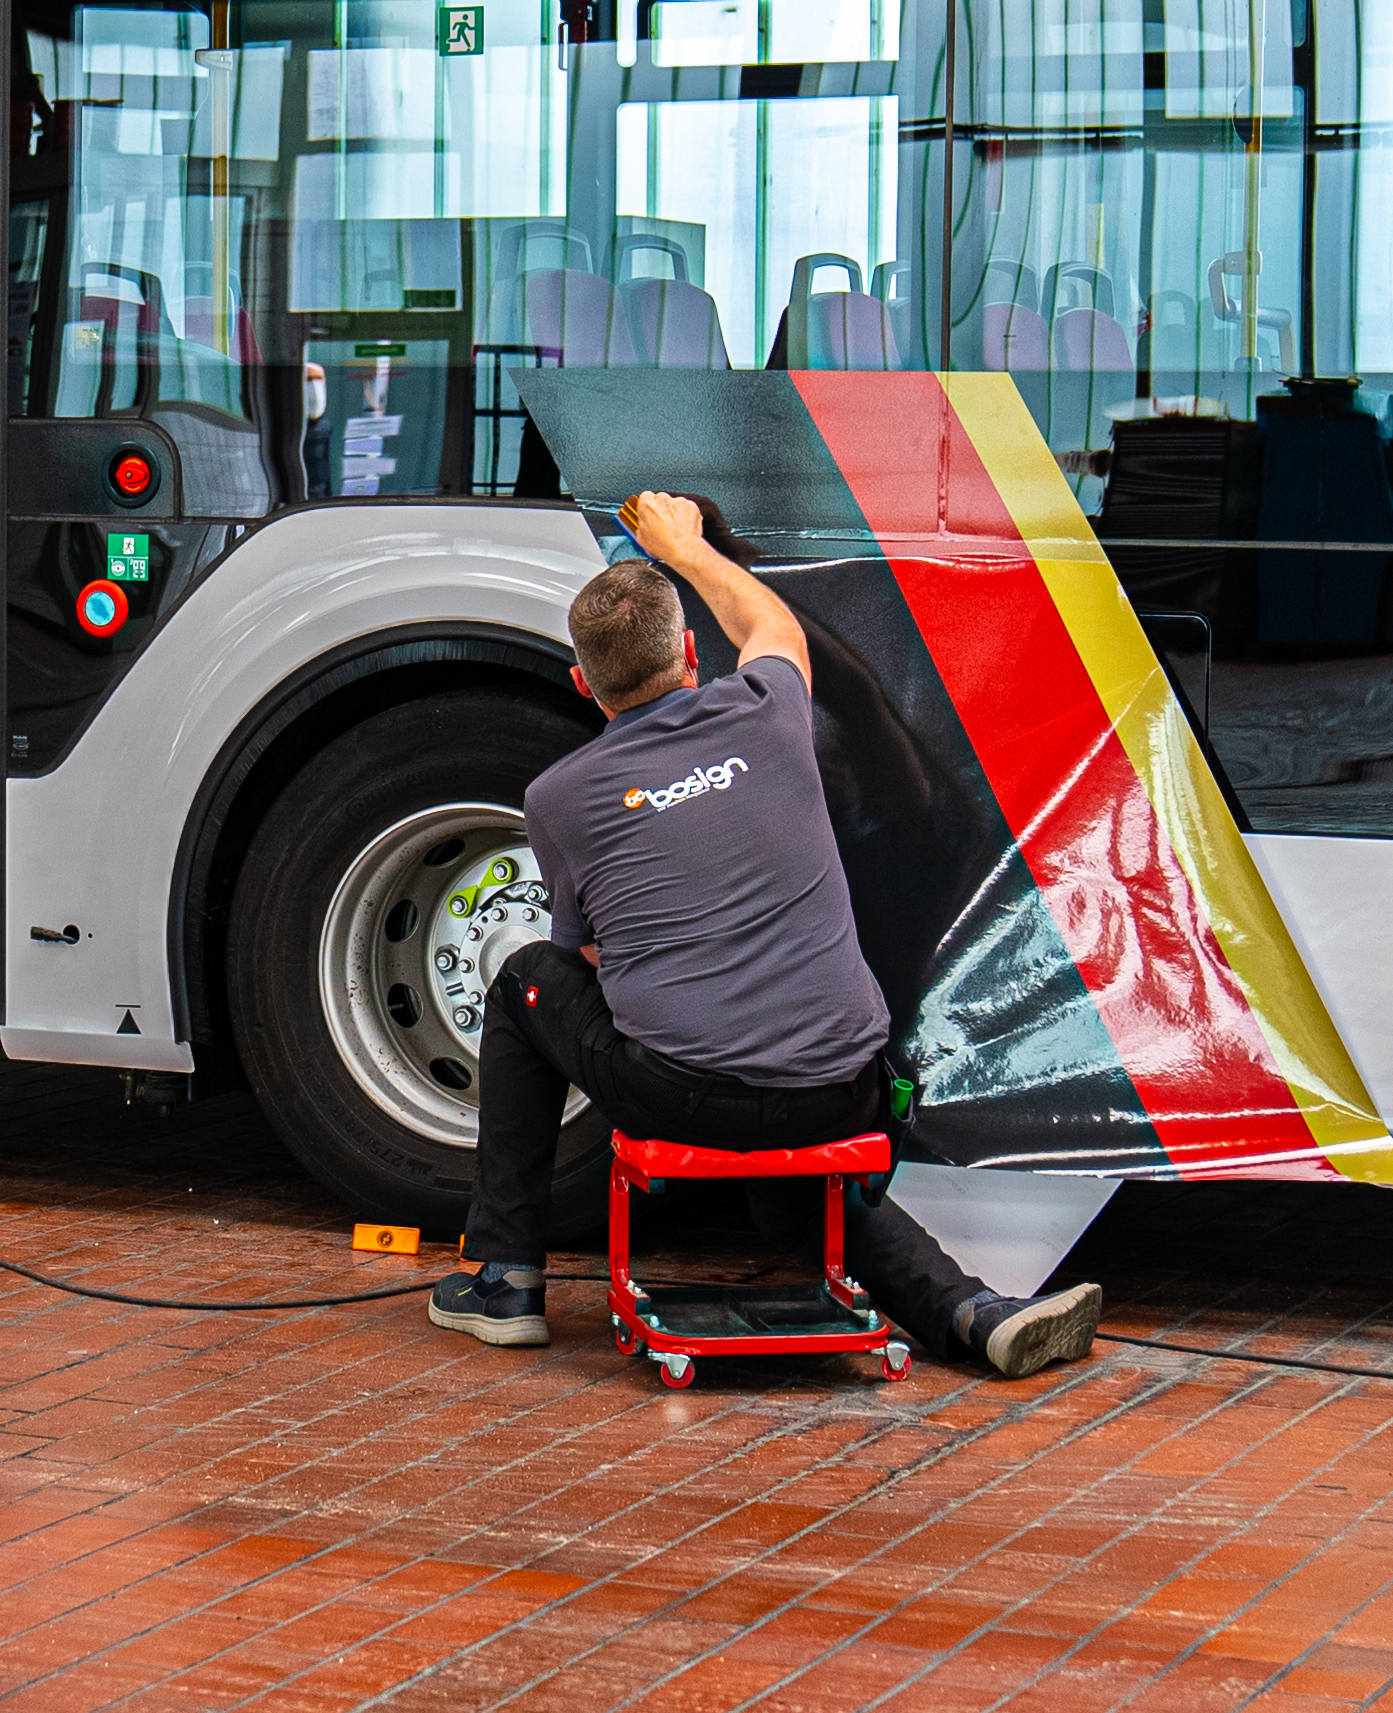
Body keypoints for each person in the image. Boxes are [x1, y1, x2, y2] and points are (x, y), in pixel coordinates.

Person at [427, 491, 1106, 1379]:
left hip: (686, 1097)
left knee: (528, 977)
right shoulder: (768, 709)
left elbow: (587, 957)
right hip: (841, 1090)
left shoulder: (558, 797)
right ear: (690, 654)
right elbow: (775, 622)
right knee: (790, 1187)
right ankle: (970, 1312)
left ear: (583, 685)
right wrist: (686, 548)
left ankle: (505, 1278)